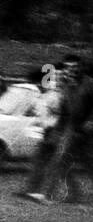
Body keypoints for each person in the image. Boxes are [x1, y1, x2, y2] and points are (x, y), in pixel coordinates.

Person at [38, 54, 93, 204]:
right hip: (71, 129)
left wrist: (91, 122)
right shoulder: (67, 86)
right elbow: (64, 111)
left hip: (90, 132)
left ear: (81, 67)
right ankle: (54, 194)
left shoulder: (91, 83)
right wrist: (57, 132)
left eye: (75, 67)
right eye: (69, 67)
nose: (72, 70)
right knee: (59, 159)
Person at [21, 62, 66, 202]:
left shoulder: (59, 95)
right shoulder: (46, 95)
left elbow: (62, 113)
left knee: (54, 163)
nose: (37, 86)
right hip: (48, 131)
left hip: (57, 131)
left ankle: (47, 193)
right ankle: (32, 190)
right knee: (41, 161)